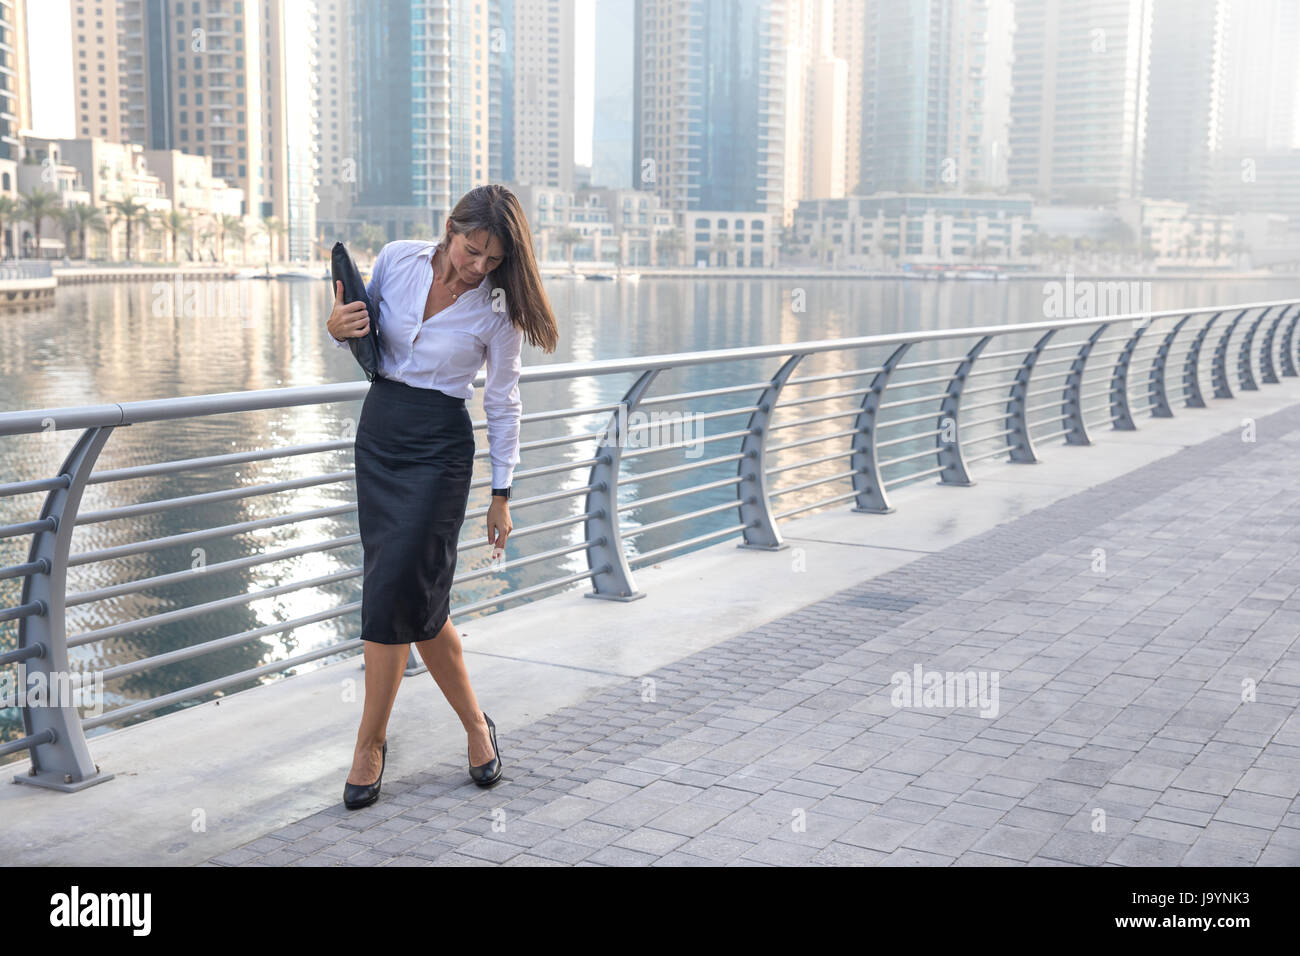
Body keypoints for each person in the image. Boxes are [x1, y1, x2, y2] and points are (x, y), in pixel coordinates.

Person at [326, 184, 559, 808]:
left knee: (392, 586)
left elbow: (505, 401)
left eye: (492, 259)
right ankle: (477, 727)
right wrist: (335, 325)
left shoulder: (500, 308)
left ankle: (369, 743)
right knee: (416, 599)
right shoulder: (399, 259)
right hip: (381, 433)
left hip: (440, 449)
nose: (478, 267)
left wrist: (501, 491)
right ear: (449, 227)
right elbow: (361, 332)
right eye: (471, 250)